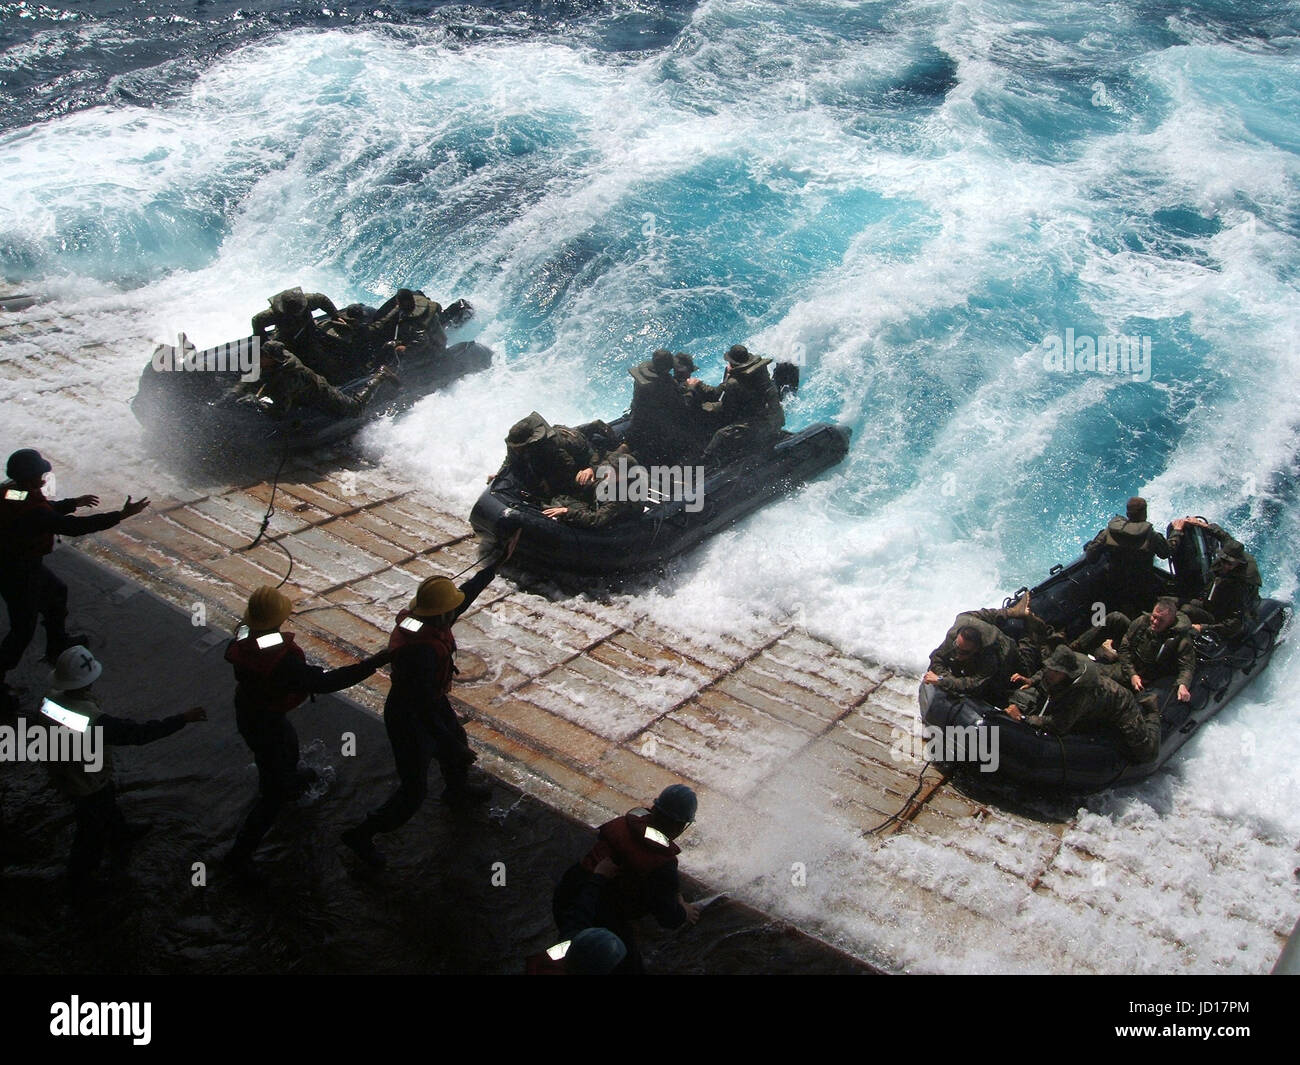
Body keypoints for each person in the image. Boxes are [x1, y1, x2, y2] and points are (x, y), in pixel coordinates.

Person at [340, 532, 519, 870]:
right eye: (449, 610)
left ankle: (456, 791)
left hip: (429, 702)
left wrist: (495, 565)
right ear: (438, 615)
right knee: (414, 789)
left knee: (457, 740)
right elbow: (422, 712)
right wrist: (451, 745)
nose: (455, 611)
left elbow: (463, 596)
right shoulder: (419, 653)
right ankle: (363, 833)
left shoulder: (425, 618)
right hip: (409, 715)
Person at [223, 586, 390, 879]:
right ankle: (239, 855)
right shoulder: (282, 662)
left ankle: (286, 778)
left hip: (249, 710)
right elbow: (324, 682)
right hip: (267, 720)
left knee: (283, 748)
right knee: (272, 794)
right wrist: (373, 663)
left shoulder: (243, 635)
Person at [42, 647, 206, 890]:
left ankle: (120, 834)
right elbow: (139, 734)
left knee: (106, 804)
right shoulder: (93, 719)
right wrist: (183, 718)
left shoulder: (50, 699)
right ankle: (81, 879)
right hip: (87, 780)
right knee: (90, 832)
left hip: (65, 769)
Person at [1, 448, 150, 698]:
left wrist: (72, 503)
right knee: (22, 630)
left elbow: (43, 507)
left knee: (57, 593)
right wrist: (121, 515)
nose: (44, 477)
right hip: (18, 570)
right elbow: (73, 527)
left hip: (19, 563)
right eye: (40, 474)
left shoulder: (12, 490)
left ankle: (57, 643)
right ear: (28, 478)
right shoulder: (31, 510)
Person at [552, 784, 702, 975]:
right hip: (601, 915)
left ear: (654, 809)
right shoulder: (661, 866)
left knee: (569, 947)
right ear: (682, 826)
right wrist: (683, 911)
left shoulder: (623, 823)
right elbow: (668, 918)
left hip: (567, 896)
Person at [1007, 645, 1160, 764]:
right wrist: (1031, 680)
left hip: (1120, 704)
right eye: (1050, 669)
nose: (1050, 673)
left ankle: (1152, 710)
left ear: (1066, 674)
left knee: (1147, 753)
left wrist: (1024, 718)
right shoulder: (1056, 671)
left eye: (1055, 672)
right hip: (1091, 707)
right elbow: (1045, 671)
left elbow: (1059, 724)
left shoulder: (1080, 694)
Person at [227, 339, 398, 419]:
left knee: (354, 410)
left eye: (263, 356)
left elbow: (280, 411)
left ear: (272, 359)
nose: (259, 358)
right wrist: (235, 392)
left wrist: (258, 404)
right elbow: (251, 377)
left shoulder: (288, 377)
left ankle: (381, 375)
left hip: (319, 393)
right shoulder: (277, 359)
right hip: (302, 392)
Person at [1169, 517, 1261, 641]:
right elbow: (1224, 536)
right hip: (1211, 602)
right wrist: (1202, 525)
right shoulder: (1232, 548)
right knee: (1169, 601)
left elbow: (1234, 623)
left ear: (1238, 564)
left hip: (1220, 616)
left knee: (1186, 609)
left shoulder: (1240, 585)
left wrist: (1204, 628)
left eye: (1229, 564)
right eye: (1223, 560)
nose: (1224, 565)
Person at [1083, 496, 1170, 616]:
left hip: (1114, 589)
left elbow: (1091, 557)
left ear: (1128, 513)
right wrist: (1177, 532)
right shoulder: (1151, 535)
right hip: (1142, 591)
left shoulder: (1109, 532)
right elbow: (1166, 553)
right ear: (1144, 513)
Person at [699, 345, 785, 465]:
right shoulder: (761, 373)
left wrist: (708, 406)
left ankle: (705, 463)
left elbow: (728, 411)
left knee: (720, 435)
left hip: (756, 423)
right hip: (773, 417)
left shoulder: (733, 383)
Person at [923, 608, 1022, 707]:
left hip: (1010, 660)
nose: (958, 654)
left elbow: (974, 685)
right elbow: (936, 659)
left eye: (964, 652)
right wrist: (947, 678)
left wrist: (943, 681)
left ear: (976, 649)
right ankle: (1013, 611)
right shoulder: (954, 639)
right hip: (972, 625)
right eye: (957, 647)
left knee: (995, 692)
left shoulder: (990, 656)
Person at [492, 412, 597, 502]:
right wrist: (499, 474)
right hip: (548, 464)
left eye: (519, 447)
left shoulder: (556, 444)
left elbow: (588, 454)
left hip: (579, 458)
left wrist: (590, 468)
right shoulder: (514, 443)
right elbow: (510, 460)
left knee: (583, 485)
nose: (516, 450)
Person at [542, 444, 645, 529]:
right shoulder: (617, 476)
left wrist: (567, 512)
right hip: (599, 501)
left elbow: (596, 520)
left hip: (608, 521)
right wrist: (592, 470)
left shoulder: (619, 498)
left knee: (564, 504)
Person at [626, 349, 693, 465]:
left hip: (637, 416)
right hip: (655, 426)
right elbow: (681, 406)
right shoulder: (664, 384)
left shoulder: (642, 376)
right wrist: (690, 389)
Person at [368, 289, 447, 362]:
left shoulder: (416, 320)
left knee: (394, 350)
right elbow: (390, 315)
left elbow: (422, 340)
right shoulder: (414, 304)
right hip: (435, 340)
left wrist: (405, 349)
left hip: (434, 350)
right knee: (390, 344)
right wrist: (373, 327)